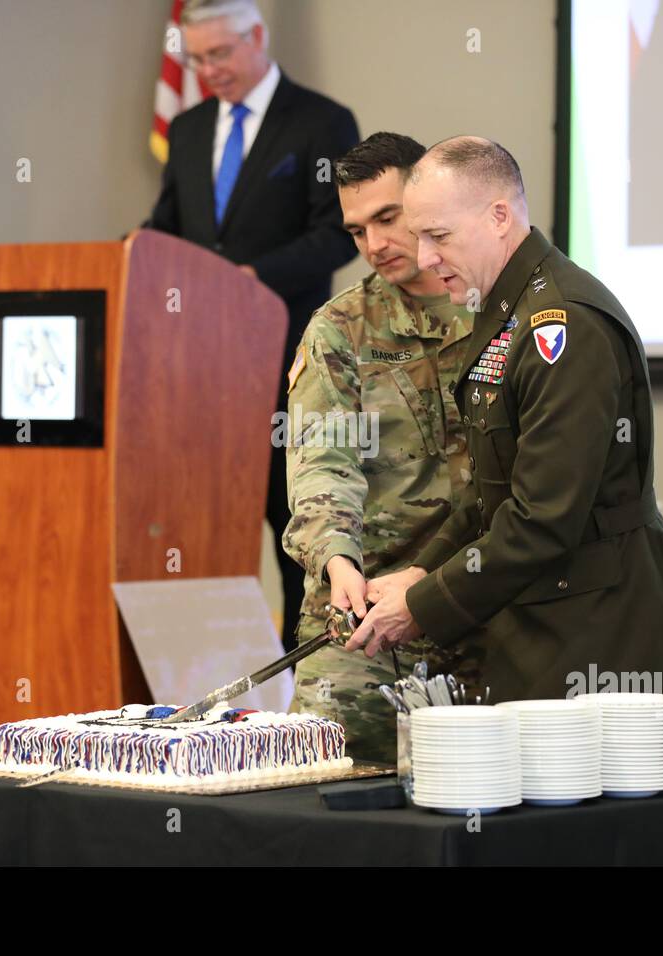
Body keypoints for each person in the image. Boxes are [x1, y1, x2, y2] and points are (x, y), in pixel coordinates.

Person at [345, 137, 663, 702]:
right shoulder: (506, 307)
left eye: (439, 236)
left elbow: (544, 516)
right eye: (420, 237)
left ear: (499, 217)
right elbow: (491, 489)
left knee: (584, 792)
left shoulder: (561, 324)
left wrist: (421, 606)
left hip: (598, 633)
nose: (424, 258)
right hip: (547, 615)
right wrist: (423, 570)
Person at [146, 0, 360, 650]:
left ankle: (305, 679)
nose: (209, 70)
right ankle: (210, 673)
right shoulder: (187, 128)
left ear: (257, 38)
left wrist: (250, 280)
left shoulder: (322, 121)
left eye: (220, 54)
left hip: (285, 363)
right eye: (197, 58)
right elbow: (166, 227)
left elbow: (337, 235)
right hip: (199, 374)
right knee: (202, 524)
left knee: (290, 520)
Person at [281, 133, 481, 762]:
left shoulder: (499, 308)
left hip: (482, 597)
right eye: (357, 230)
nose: (374, 245)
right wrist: (337, 561)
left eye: (388, 218)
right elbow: (321, 460)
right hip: (365, 612)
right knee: (318, 783)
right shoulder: (341, 329)